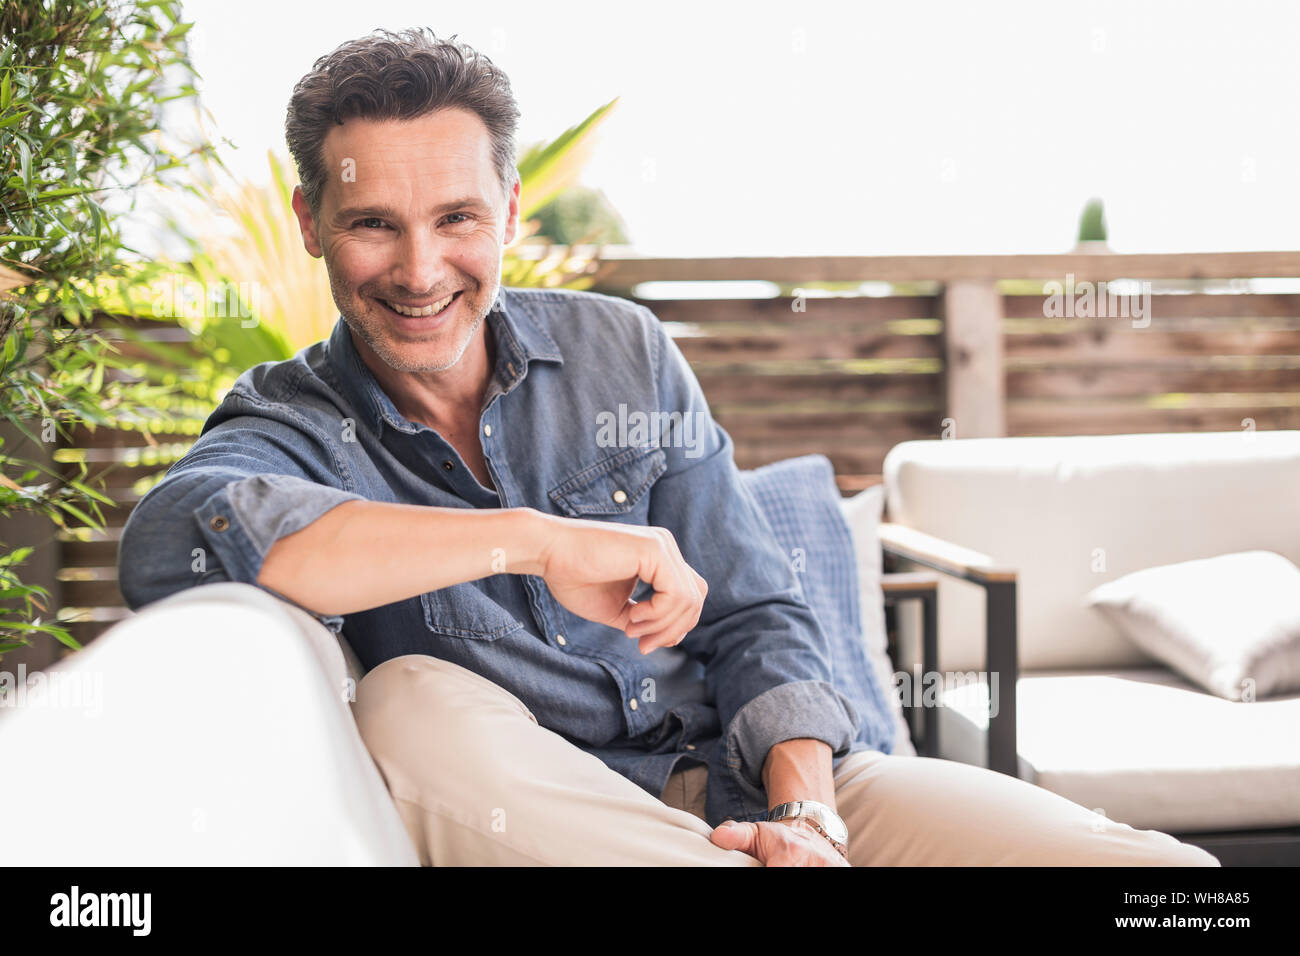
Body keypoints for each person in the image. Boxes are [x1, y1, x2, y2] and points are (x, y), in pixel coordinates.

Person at [118, 28, 1218, 867]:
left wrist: (806, 812)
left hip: (759, 788)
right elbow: (175, 542)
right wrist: (534, 541)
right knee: (407, 694)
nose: (419, 269)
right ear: (310, 221)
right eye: (373, 224)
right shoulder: (293, 419)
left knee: (1172, 885)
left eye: (454, 217)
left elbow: (756, 611)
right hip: (570, 827)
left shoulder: (621, 352)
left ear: (507, 211)